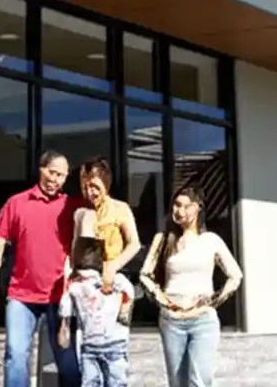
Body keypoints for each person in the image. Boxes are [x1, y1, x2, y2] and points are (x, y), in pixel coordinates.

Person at [0, 150, 85, 387]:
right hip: (21, 296)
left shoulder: (71, 207)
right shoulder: (17, 203)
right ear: (41, 169)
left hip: (60, 297)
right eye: (52, 172)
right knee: (16, 356)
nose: (56, 179)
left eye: (62, 176)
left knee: (68, 359)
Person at [139, 186, 243, 387]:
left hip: (202, 320)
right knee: (178, 382)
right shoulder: (163, 239)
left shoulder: (210, 240)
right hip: (172, 320)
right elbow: (145, 275)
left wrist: (214, 300)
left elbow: (235, 275)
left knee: (200, 381)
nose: (180, 211)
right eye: (176, 205)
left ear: (197, 208)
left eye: (186, 206)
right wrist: (161, 299)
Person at [58, 237, 135, 387]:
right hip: (116, 343)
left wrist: (63, 329)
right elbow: (130, 292)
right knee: (117, 383)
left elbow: (65, 309)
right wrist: (124, 312)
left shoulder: (74, 286)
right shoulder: (114, 280)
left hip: (89, 346)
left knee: (90, 383)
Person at [72, 158, 142, 290]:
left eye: (94, 187)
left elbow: (134, 243)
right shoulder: (81, 213)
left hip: (114, 277)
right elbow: (75, 248)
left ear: (106, 183)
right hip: (87, 280)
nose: (90, 192)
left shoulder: (120, 208)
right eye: (85, 188)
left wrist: (113, 266)